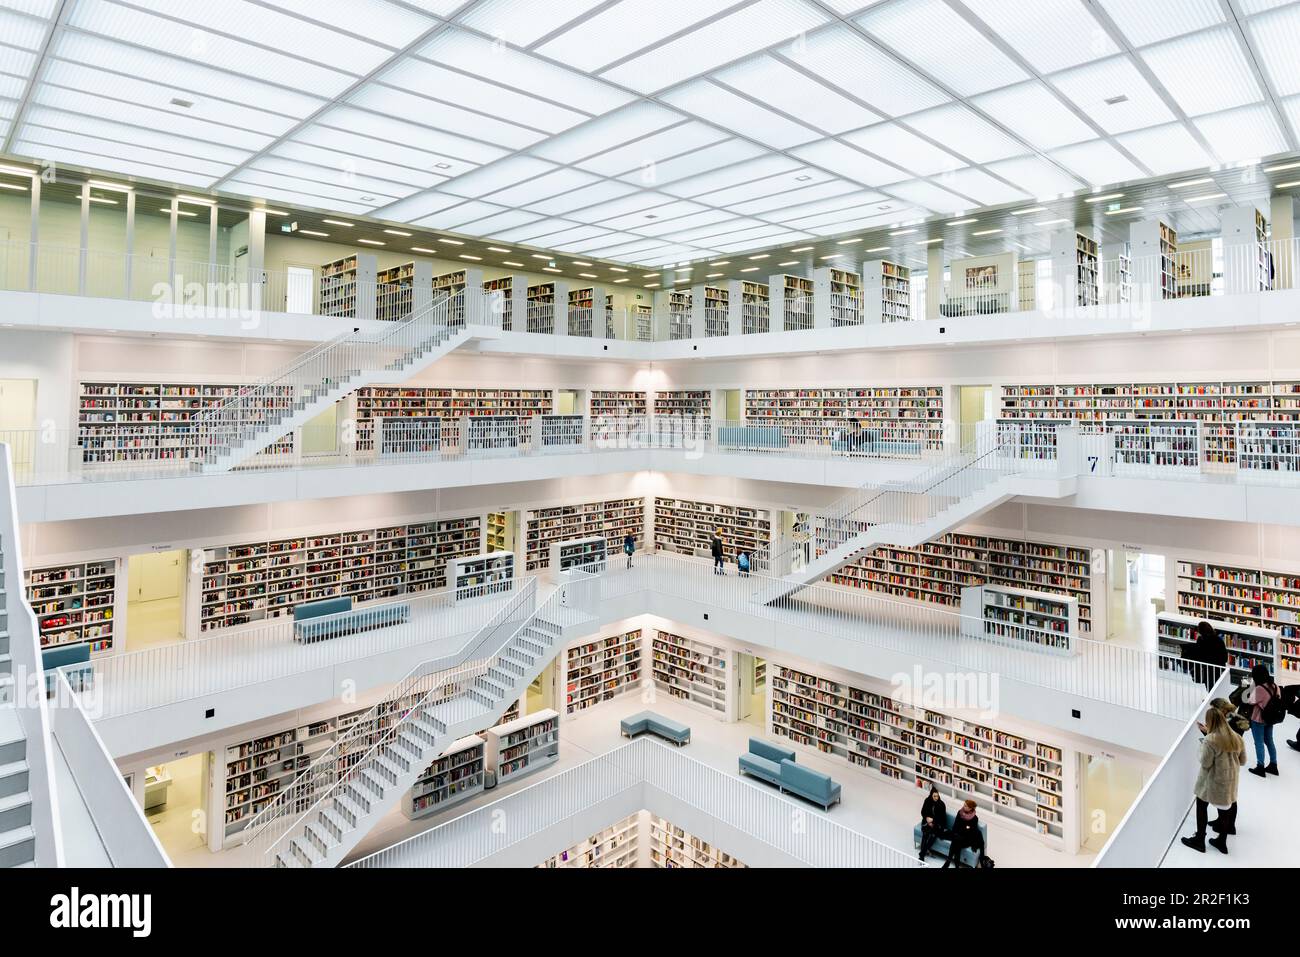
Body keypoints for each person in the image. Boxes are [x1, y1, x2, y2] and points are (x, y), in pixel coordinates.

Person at [1181, 706, 1246, 854]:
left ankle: (1199, 840)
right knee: (1225, 810)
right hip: (1230, 780)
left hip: (1212, 782)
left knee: (1201, 806)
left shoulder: (1210, 740)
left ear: (1210, 721)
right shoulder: (1237, 737)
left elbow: (1205, 762)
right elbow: (1242, 761)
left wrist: (1203, 743)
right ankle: (1221, 841)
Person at [1245, 663, 1281, 777]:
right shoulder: (1275, 686)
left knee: (1259, 742)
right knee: (1269, 741)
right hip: (1270, 719)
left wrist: (1252, 687)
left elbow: (1250, 701)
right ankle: (1273, 765)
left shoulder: (1259, 688)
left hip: (1258, 719)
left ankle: (1260, 767)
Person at [1181, 620, 1228, 690]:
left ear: (1201, 631)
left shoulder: (1201, 640)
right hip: (1218, 669)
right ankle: (1213, 699)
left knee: (1209, 686)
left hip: (1206, 669)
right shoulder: (1219, 640)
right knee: (1216, 687)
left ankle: (1211, 699)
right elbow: (1225, 658)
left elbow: (1199, 654)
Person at [942, 799, 984, 868]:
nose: (963, 806)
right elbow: (955, 825)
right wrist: (961, 830)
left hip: (967, 839)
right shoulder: (960, 813)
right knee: (956, 841)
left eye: (965, 806)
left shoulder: (974, 819)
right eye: (964, 805)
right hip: (957, 835)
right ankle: (954, 864)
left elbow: (971, 832)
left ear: (970, 808)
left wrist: (963, 829)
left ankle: (948, 861)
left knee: (956, 842)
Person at [918, 786, 947, 862]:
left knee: (933, 835)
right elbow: (923, 812)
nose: (936, 797)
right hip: (927, 822)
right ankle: (924, 852)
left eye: (937, 796)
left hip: (937, 824)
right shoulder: (927, 801)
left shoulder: (941, 804)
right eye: (934, 796)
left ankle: (922, 854)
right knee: (925, 834)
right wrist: (927, 819)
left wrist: (933, 821)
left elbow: (942, 818)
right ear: (931, 795)